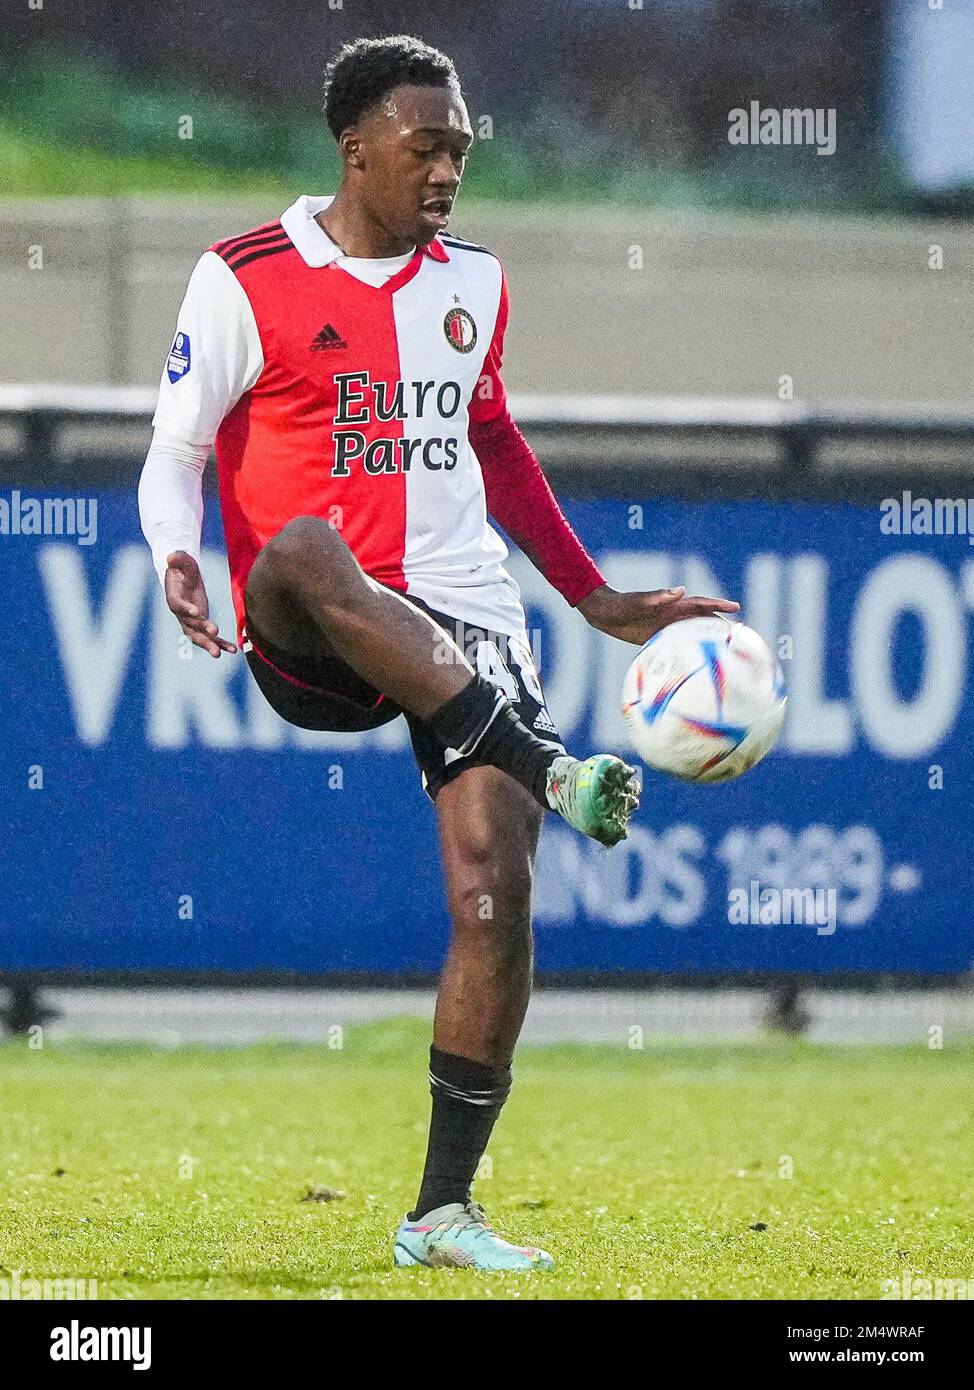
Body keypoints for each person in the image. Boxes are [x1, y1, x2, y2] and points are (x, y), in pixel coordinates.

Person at [139, 34, 738, 1272]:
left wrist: (592, 598)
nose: (449, 167)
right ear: (355, 147)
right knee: (299, 545)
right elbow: (176, 449)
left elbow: (494, 443)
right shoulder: (243, 274)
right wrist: (174, 553)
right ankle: (545, 758)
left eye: (462, 146)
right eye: (428, 145)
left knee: (493, 888)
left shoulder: (475, 280)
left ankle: (439, 1215)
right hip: (320, 629)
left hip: (462, 613)